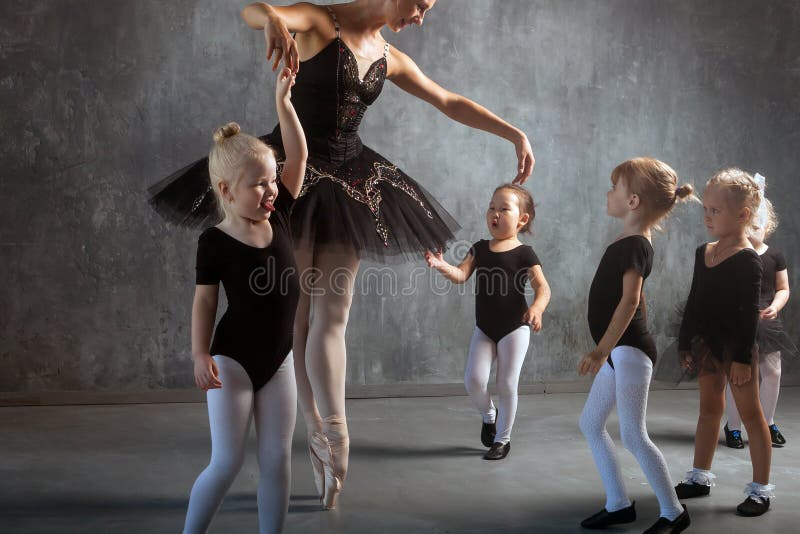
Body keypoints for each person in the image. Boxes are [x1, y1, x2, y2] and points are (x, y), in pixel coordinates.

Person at [150, 0, 536, 509]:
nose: (421, 17)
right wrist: (272, 19)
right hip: (293, 177)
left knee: (334, 315)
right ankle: (313, 426)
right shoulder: (319, 20)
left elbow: (447, 100)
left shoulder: (390, 56)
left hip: (352, 184)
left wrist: (513, 132)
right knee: (297, 315)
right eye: (420, 4)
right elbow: (254, 11)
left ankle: (335, 431)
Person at [183, 67, 306, 534]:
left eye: (273, 180)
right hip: (231, 363)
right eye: (259, 184)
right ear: (227, 191)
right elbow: (205, 303)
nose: (271, 190)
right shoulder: (214, 242)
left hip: (279, 361)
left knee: (277, 459)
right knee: (227, 461)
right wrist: (200, 354)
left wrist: (284, 104)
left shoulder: (282, 214)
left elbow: (300, 154)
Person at [577, 158, 693, 532]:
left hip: (627, 352)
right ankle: (618, 504)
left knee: (632, 434)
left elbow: (629, 301)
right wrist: (608, 350)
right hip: (620, 352)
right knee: (591, 423)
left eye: (615, 188)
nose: (608, 193)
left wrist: (601, 350)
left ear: (633, 201)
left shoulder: (635, 245)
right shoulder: (630, 242)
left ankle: (673, 512)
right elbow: (637, 300)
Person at [674, 168, 774, 517]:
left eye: (715, 211)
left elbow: (748, 312)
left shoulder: (748, 259)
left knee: (751, 414)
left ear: (743, 215)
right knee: (709, 409)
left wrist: (743, 358)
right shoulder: (704, 251)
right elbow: (693, 299)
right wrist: (685, 342)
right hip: (706, 344)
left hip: (736, 347)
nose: (707, 216)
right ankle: (699, 476)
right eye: (705, 208)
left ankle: (760, 490)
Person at [425, 184, 550, 460]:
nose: (495, 213)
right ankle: (489, 414)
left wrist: (537, 309)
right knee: (473, 380)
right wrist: (441, 265)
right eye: (491, 207)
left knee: (507, 384)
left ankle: (502, 440)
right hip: (485, 328)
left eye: (504, 209)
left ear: (522, 219)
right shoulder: (479, 248)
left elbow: (543, 288)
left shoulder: (525, 253)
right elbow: (460, 275)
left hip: (515, 328)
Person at [723, 178, 794, 449]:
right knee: (738, 376)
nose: (752, 232)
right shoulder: (733, 254)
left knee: (772, 372)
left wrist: (776, 305)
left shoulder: (775, 256)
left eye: (758, 227)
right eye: (748, 227)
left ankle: (767, 422)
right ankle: (733, 426)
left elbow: (783, 288)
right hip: (737, 321)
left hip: (766, 322)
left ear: (768, 226)